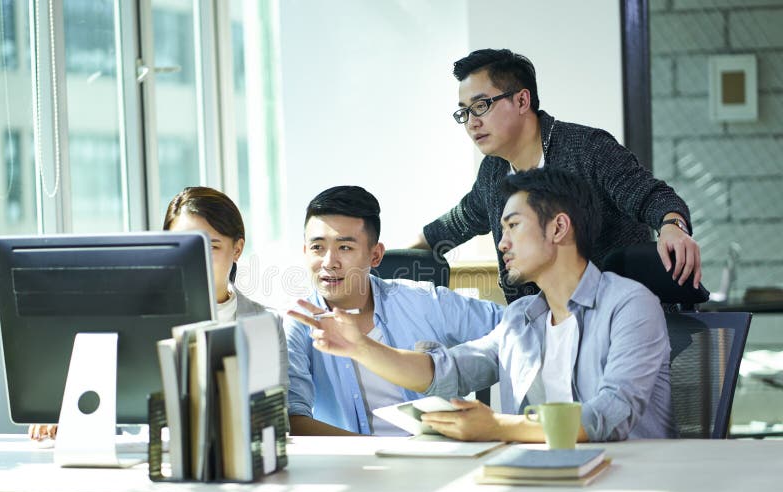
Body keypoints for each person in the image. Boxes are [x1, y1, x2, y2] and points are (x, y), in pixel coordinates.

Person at [290, 168, 676, 443]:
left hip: (626, 488)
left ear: (558, 228)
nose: (502, 242)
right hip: (542, 491)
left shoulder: (629, 305)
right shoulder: (522, 319)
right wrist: (360, 346)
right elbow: (447, 371)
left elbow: (609, 416)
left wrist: (499, 427)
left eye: (512, 226)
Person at [412, 48, 701, 303]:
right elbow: (457, 222)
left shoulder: (586, 149)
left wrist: (672, 224)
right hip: (542, 331)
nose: (472, 123)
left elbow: (651, 196)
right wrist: (382, 256)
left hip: (615, 321)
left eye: (481, 106)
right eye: (464, 112)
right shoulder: (494, 171)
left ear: (522, 100)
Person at [29, 186, 287, 442]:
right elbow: (97, 396)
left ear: (237, 249)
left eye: (211, 246)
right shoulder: (136, 315)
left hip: (232, 456)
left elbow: (276, 415)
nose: (198, 259)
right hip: (150, 456)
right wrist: (65, 413)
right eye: (185, 246)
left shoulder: (265, 322)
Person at [285, 185, 503, 436]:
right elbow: (293, 419)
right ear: (304, 252)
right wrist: (377, 451)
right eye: (317, 247)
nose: (328, 262)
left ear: (375, 256)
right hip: (355, 466)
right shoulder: (298, 323)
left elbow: (515, 326)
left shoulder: (423, 300)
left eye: (345, 248)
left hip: (437, 458)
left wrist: (456, 366)